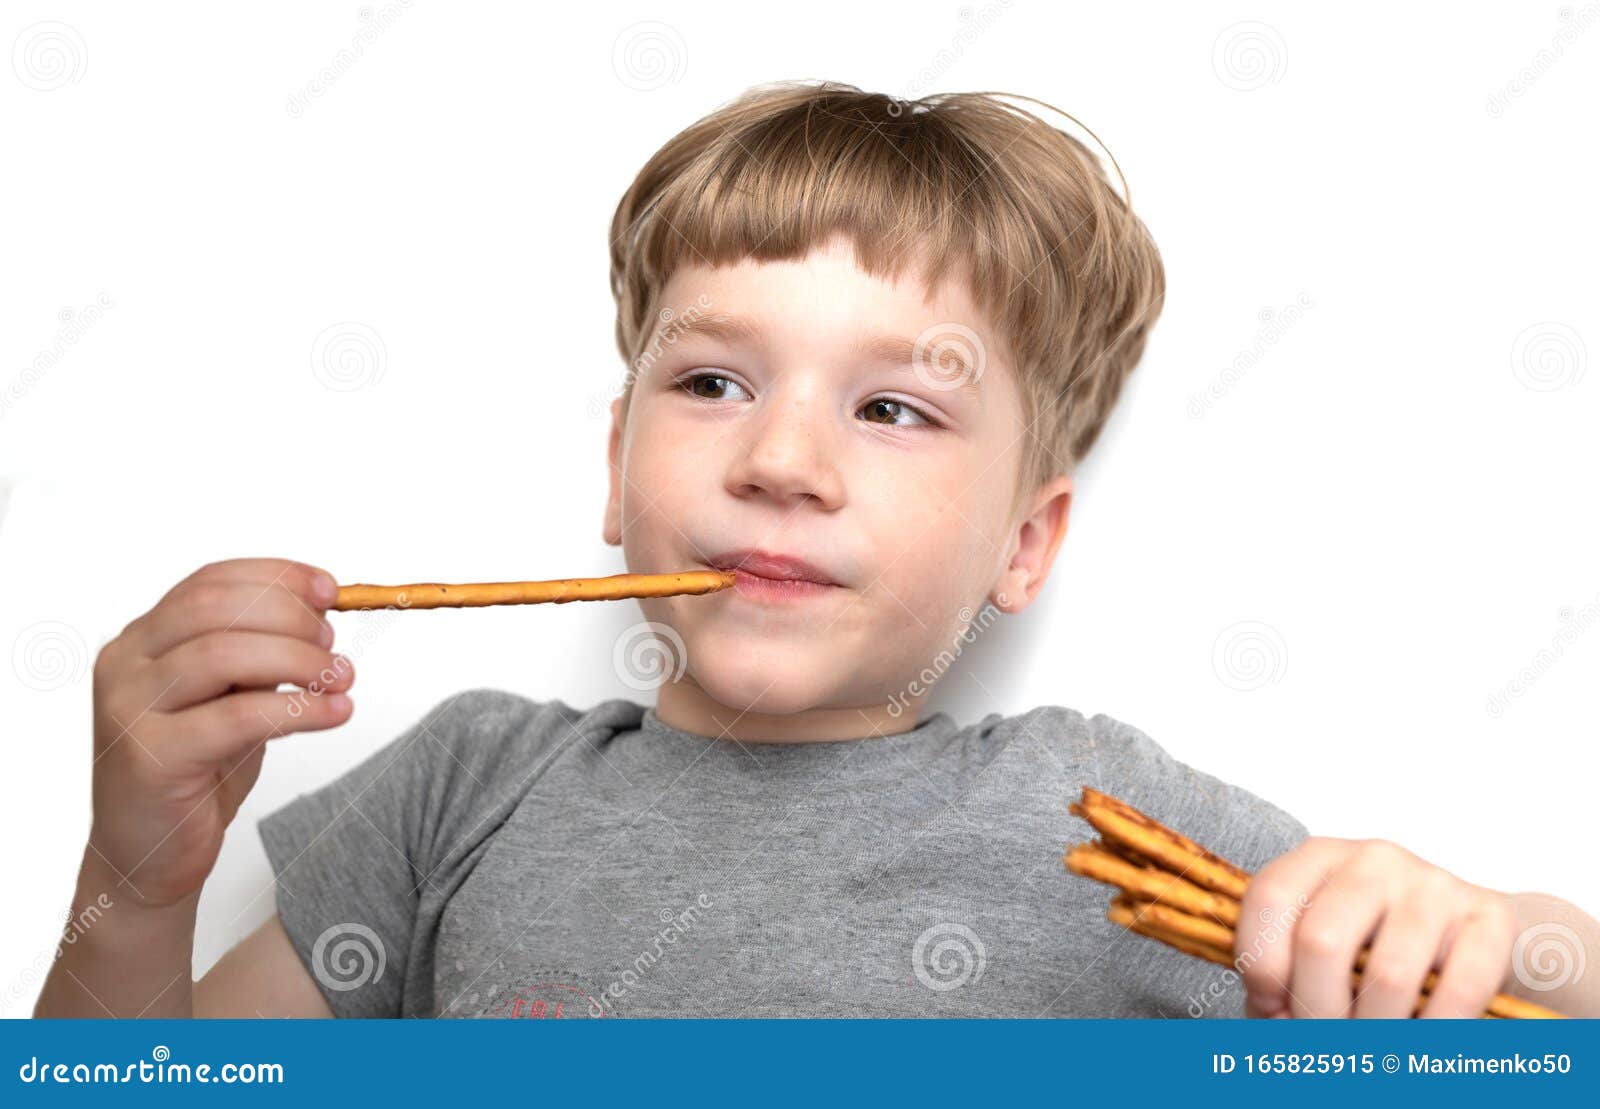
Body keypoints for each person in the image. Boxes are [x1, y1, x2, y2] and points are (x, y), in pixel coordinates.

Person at [35, 81, 1598, 1019]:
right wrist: (134, 872)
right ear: (614, 464)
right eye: (711, 383)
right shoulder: (459, 790)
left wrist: (1500, 942)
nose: (780, 460)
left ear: (1026, 541)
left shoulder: (1107, 818)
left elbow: (1529, 1014)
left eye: (898, 409)